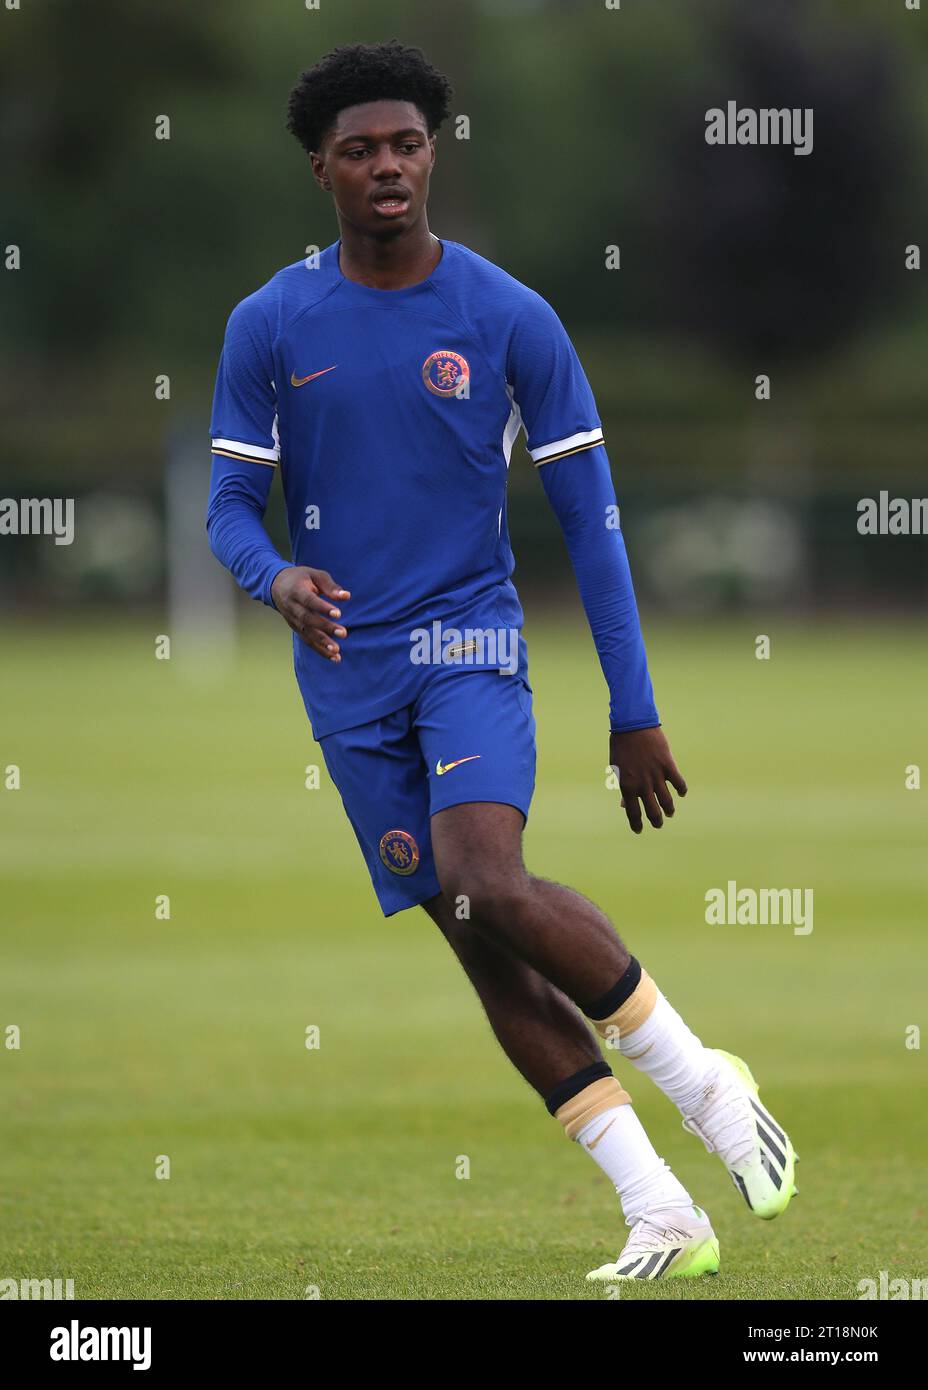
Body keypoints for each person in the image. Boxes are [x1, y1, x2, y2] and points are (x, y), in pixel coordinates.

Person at [207, 39, 797, 1284]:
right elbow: (224, 509)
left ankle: (706, 1084)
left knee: (488, 877)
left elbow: (590, 520)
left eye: (407, 144)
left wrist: (633, 711)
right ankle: (660, 1211)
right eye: (360, 149)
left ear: (434, 153)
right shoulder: (270, 322)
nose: (387, 166)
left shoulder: (508, 315)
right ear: (321, 167)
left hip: (469, 643)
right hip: (347, 676)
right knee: (476, 939)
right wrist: (276, 577)